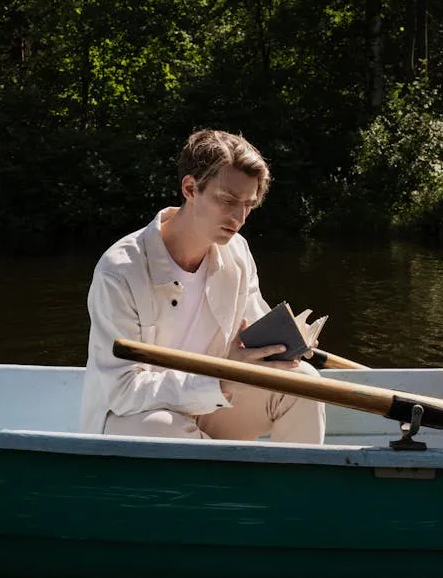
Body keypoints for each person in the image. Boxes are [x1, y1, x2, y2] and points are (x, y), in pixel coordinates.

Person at [79, 129, 326, 444]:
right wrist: (220, 382)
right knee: (160, 429)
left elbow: (252, 333)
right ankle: (225, 484)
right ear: (191, 188)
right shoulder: (120, 271)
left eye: (249, 205)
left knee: (303, 384)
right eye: (227, 200)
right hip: (138, 416)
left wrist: (284, 348)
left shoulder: (237, 252)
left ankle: (294, 491)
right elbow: (122, 391)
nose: (239, 217)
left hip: (214, 400)